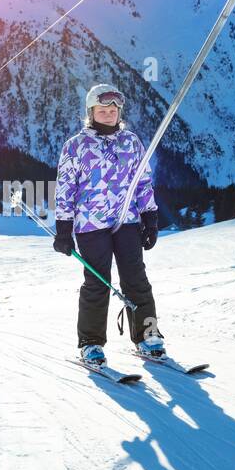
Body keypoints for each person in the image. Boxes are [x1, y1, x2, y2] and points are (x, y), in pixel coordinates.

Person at [54, 83, 164, 365]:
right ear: (91, 112)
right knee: (97, 282)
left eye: (113, 110)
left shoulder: (131, 142)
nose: (108, 114)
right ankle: (91, 343)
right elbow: (65, 188)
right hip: (90, 225)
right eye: (102, 110)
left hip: (127, 220)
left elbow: (142, 182)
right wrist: (63, 228)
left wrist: (150, 217)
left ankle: (147, 335)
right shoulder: (76, 146)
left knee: (136, 279)